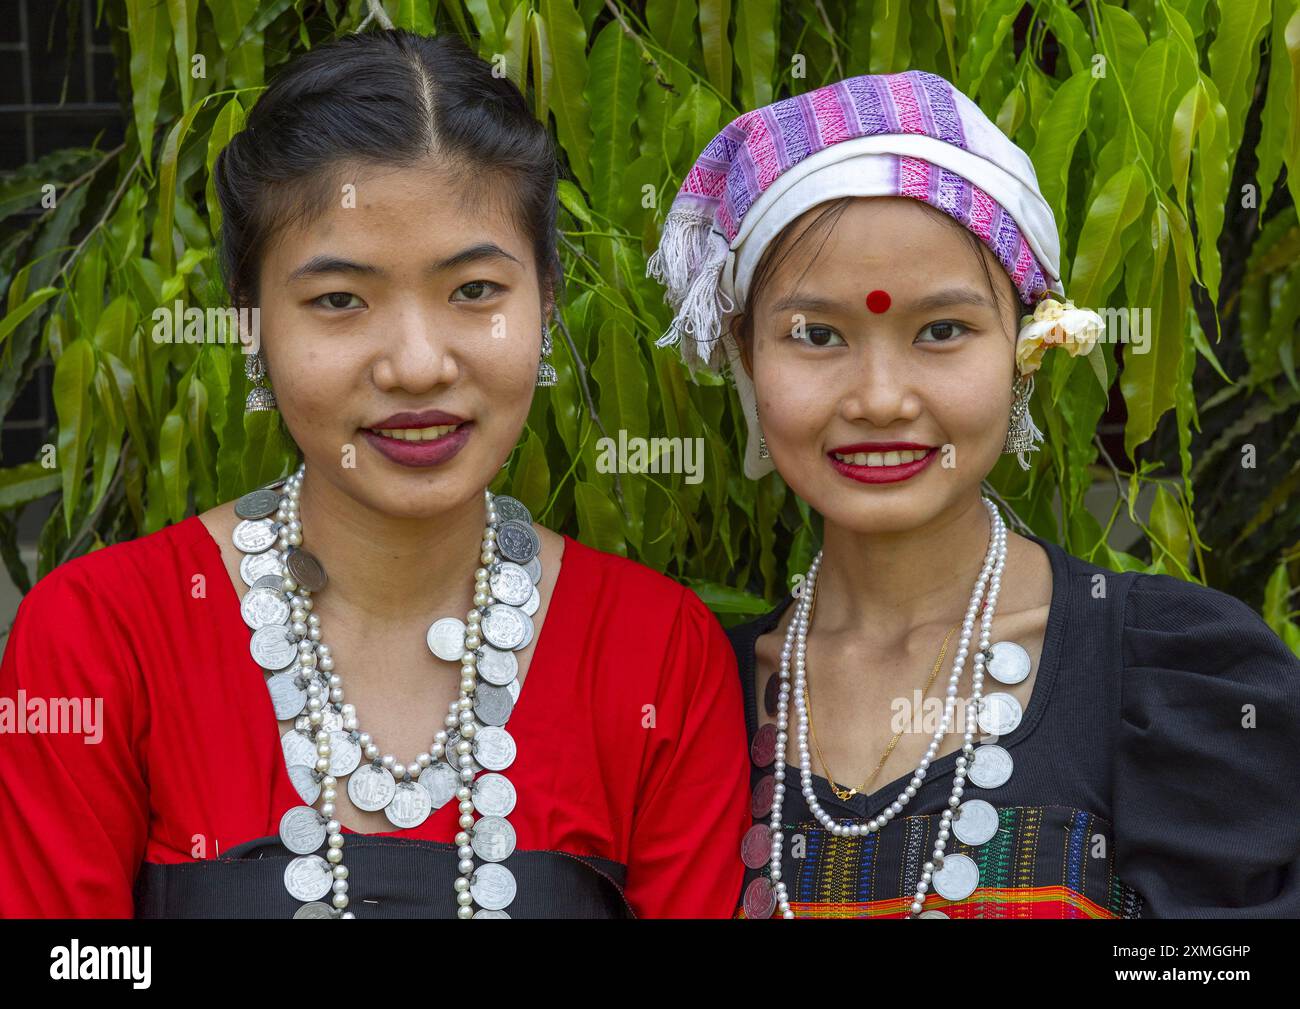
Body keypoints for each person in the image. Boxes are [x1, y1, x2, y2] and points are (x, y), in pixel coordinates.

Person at [0, 29, 750, 919]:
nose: (416, 364)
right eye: (339, 300)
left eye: (474, 290)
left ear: (547, 299)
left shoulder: (656, 653)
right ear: (251, 320)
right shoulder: (100, 638)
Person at [647, 69, 1300, 919]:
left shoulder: (1171, 680)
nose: (880, 397)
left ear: (1027, 345)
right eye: (817, 334)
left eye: (942, 330)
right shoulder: (690, 705)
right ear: (745, 356)